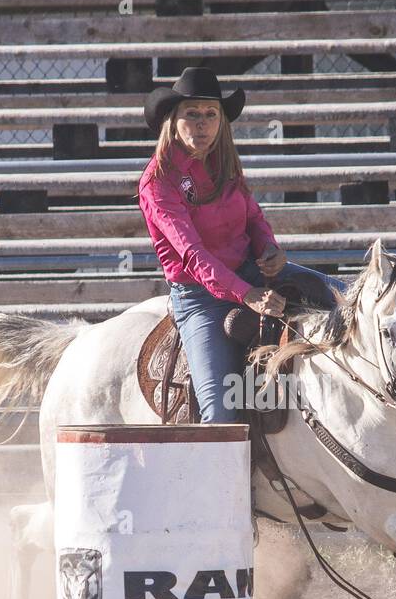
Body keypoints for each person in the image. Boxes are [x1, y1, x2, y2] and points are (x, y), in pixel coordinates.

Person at [137, 66, 346, 424]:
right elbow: (192, 254)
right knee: (220, 415)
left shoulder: (226, 165)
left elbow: (253, 217)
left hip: (252, 271)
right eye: (192, 114)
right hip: (200, 297)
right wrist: (246, 294)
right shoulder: (158, 182)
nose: (202, 124)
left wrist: (269, 249)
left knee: (349, 297)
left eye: (210, 115)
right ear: (173, 120)